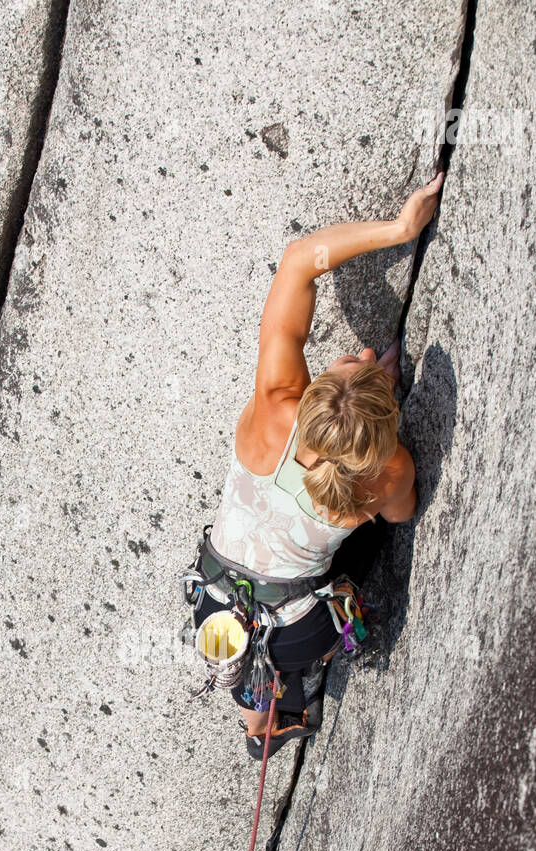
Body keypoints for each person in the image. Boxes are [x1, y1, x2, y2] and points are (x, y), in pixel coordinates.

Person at [190, 172, 444, 758]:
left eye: (345, 362)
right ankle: (294, 678)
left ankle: (259, 721)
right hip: (296, 631)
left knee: (264, 599)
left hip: (215, 609)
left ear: (315, 393)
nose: (356, 350)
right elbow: (401, 516)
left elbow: (300, 260)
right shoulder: (388, 472)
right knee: (362, 542)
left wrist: (398, 228)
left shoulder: (275, 404)